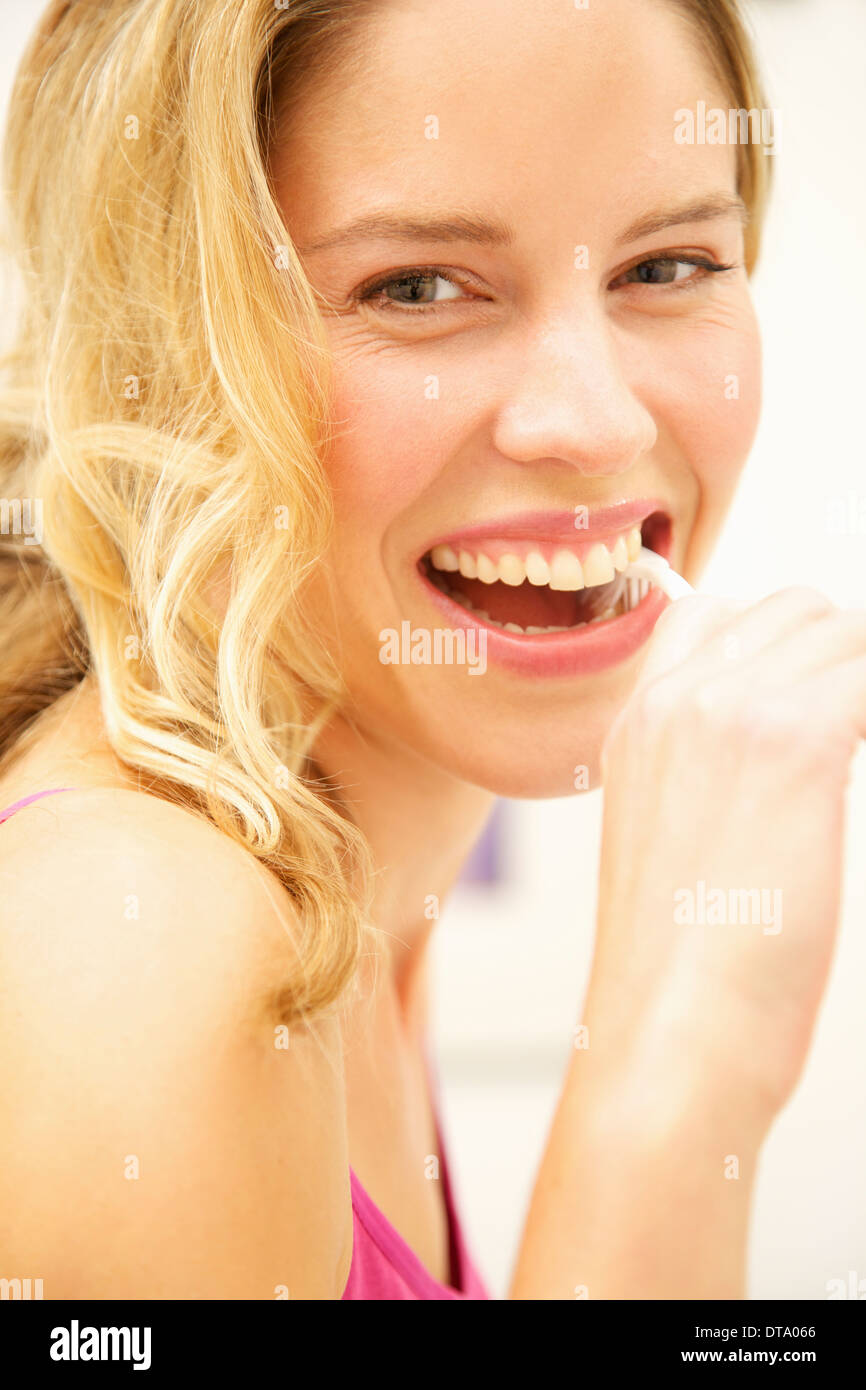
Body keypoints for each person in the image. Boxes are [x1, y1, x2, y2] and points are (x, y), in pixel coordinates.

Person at [0, 0, 862, 1299]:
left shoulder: (338, 874)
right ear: (169, 346)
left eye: (667, 264)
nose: (591, 418)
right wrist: (673, 1063)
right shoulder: (143, 948)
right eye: (413, 287)